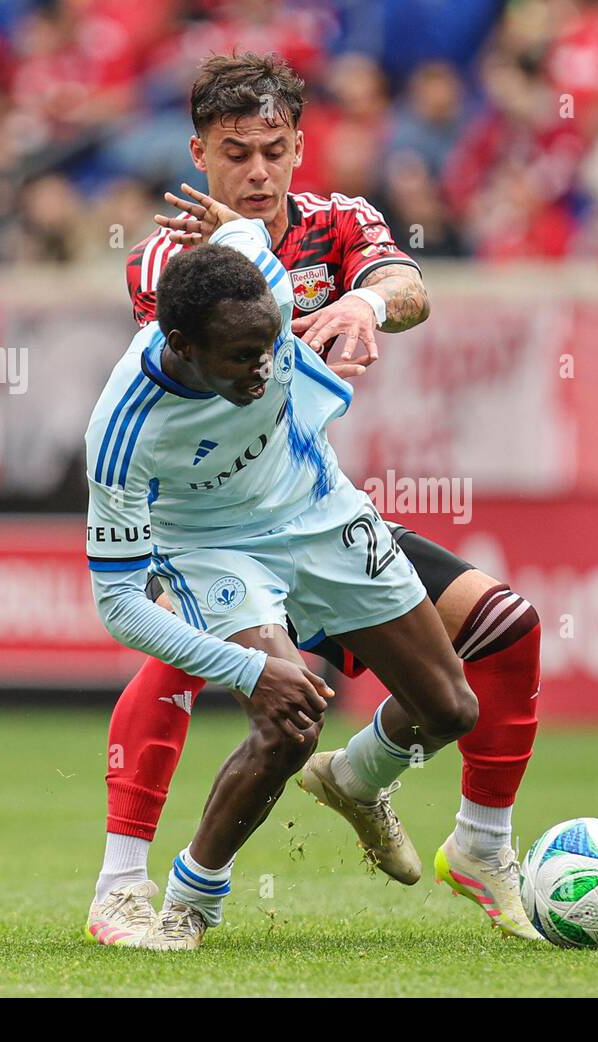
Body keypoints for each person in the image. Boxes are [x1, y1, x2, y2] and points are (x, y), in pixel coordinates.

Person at [89, 51, 543, 946]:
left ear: (300, 145)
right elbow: (229, 340)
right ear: (198, 154)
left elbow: (408, 286)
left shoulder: (340, 220)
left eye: (274, 150)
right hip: (208, 522)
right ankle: (134, 888)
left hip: (312, 497)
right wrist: (296, 308)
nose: (257, 172)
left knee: (483, 658)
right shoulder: (166, 263)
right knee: (223, 678)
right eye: (234, 153)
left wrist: (370, 307)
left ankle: (364, 778)